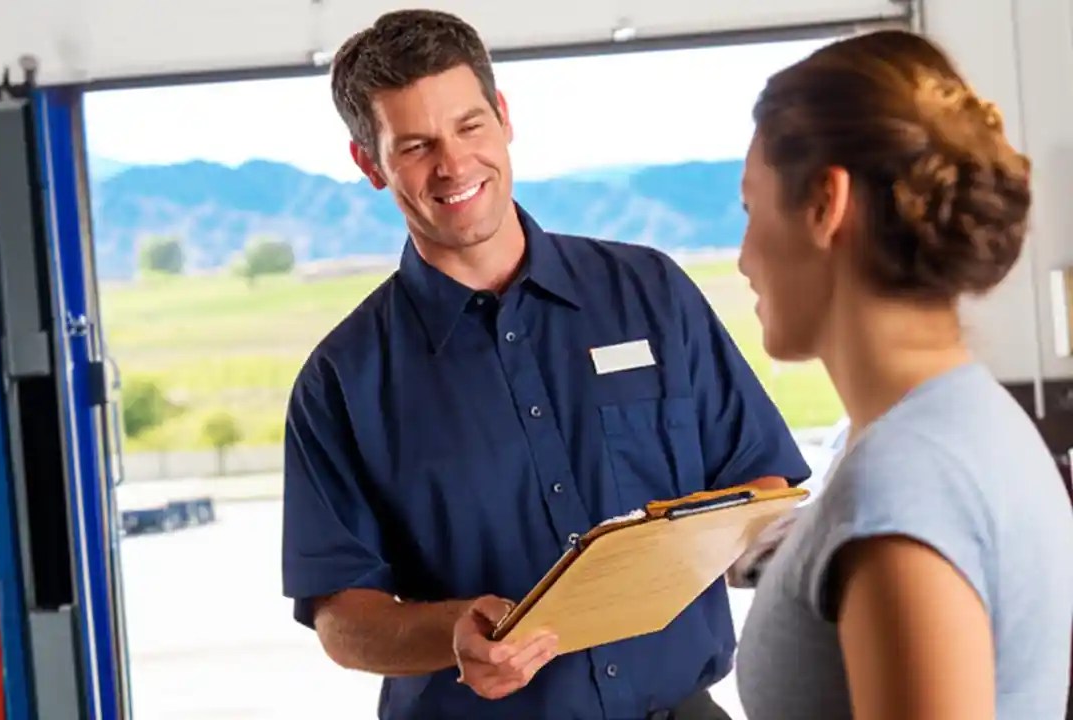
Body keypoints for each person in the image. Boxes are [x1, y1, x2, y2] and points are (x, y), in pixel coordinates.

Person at [280, 9, 811, 720]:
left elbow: (763, 482)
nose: (453, 165)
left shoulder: (649, 293)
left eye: (469, 126)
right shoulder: (342, 379)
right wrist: (452, 631)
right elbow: (342, 618)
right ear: (369, 164)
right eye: (415, 146)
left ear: (503, 117)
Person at [732, 29, 1073, 720]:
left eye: (750, 209)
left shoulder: (902, 483)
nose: (742, 258)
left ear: (825, 204)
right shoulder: (970, 420)